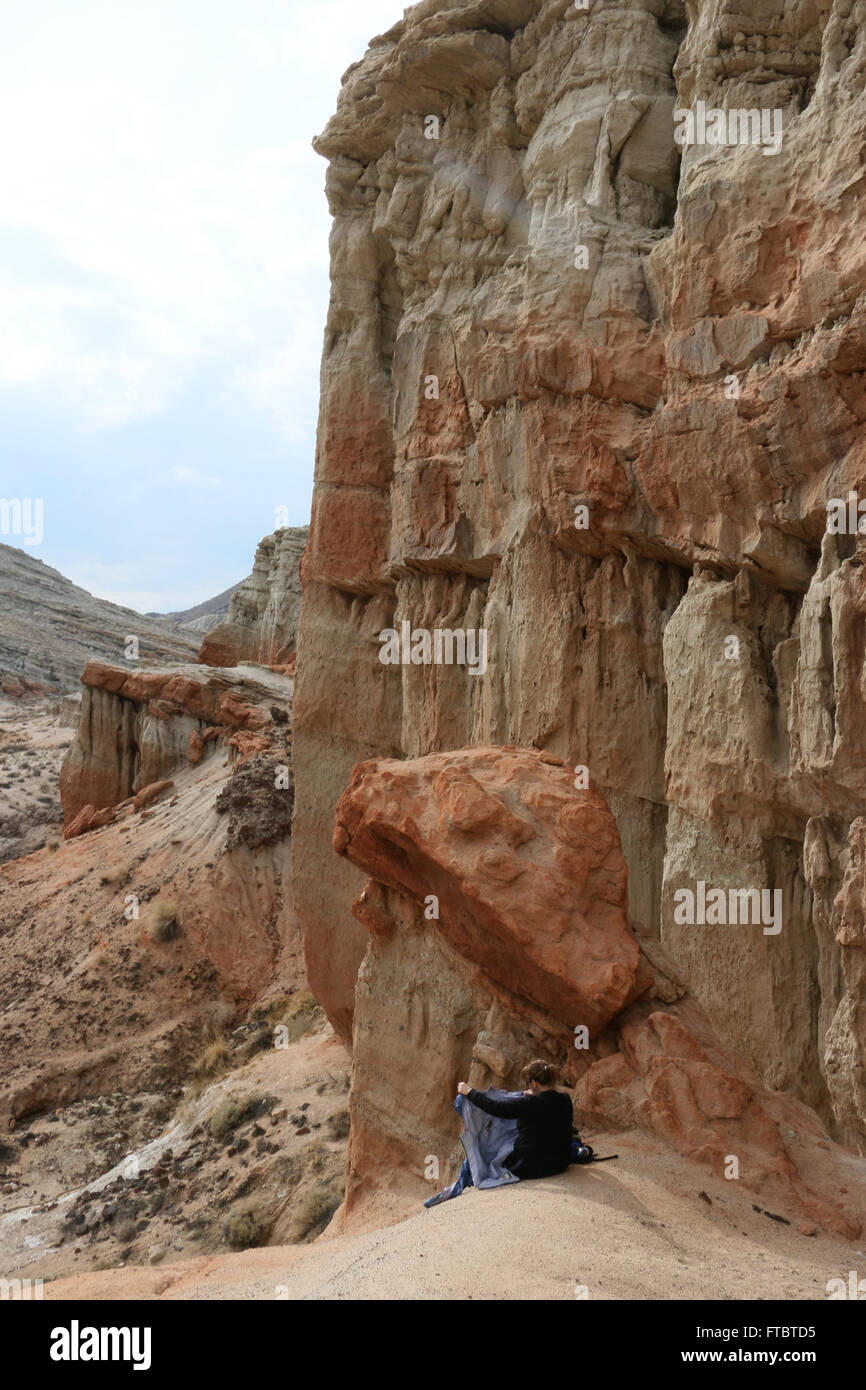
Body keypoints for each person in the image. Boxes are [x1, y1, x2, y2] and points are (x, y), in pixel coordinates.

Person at [456, 1060, 573, 1180]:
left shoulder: (527, 1104)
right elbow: (547, 1110)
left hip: (530, 1168)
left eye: (528, 1083)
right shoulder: (565, 1099)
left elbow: (495, 1108)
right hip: (561, 1164)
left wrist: (469, 1092)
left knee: (500, 1141)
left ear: (533, 1083)